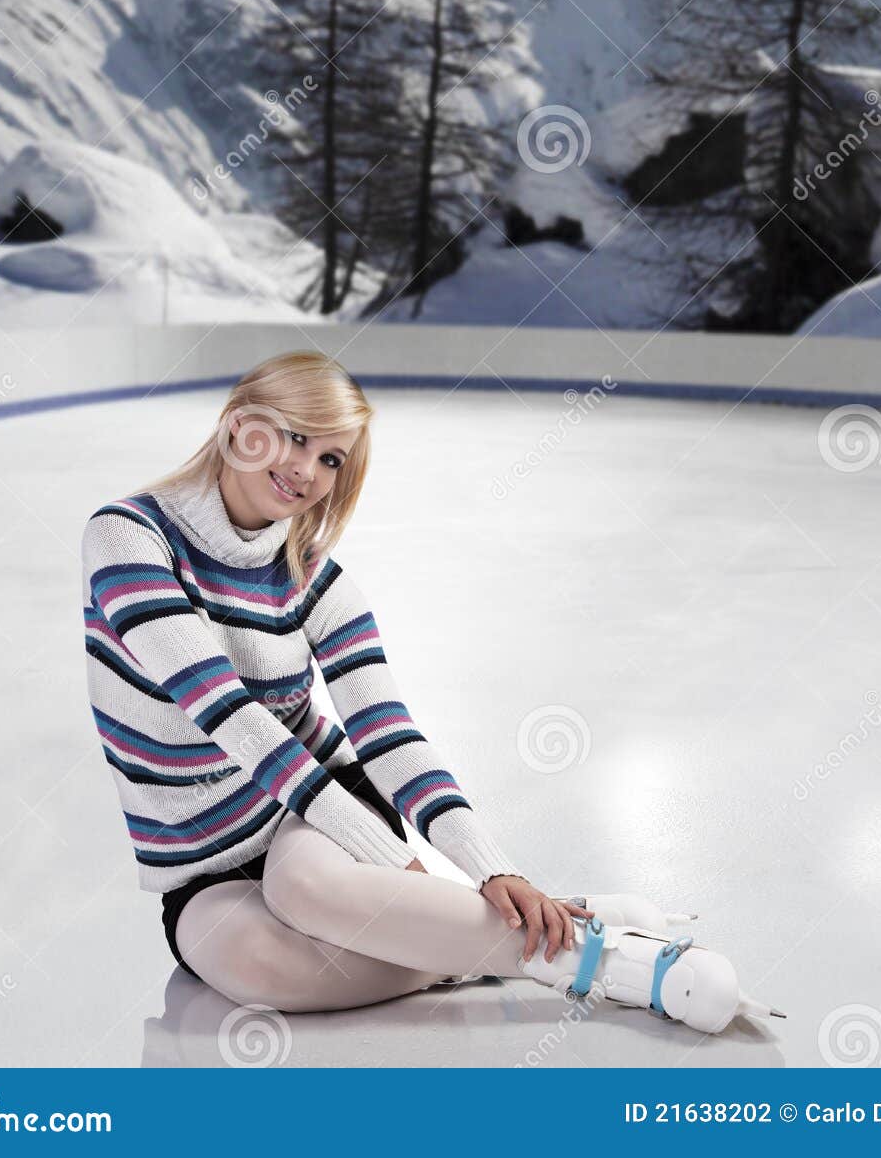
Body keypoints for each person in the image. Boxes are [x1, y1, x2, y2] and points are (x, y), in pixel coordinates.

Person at [80, 349, 596, 1012]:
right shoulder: (127, 536)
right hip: (203, 859)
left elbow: (385, 732)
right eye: (295, 437)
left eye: (330, 459)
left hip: (321, 809)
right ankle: (535, 937)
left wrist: (489, 865)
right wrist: (400, 868)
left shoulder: (318, 581)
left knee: (305, 892)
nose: (305, 471)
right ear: (238, 424)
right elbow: (226, 713)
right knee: (264, 972)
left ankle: (596, 957)